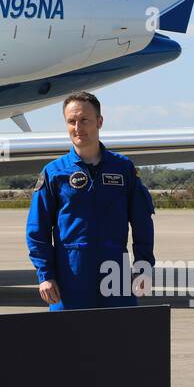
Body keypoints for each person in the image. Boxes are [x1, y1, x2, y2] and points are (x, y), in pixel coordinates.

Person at [26, 92, 156, 311]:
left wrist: (143, 266)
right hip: (70, 275)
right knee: (70, 342)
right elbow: (37, 229)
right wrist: (45, 275)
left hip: (116, 273)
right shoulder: (54, 173)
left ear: (99, 121)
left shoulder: (123, 169)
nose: (78, 127)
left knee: (120, 340)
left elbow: (142, 222)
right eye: (71, 121)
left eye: (84, 120)